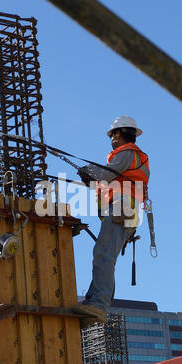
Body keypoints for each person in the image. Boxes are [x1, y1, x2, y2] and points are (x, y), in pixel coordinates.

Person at [72, 115, 149, 324]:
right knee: (105, 256)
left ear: (121, 133)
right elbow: (105, 180)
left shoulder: (128, 153)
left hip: (121, 209)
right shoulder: (129, 157)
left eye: (113, 134)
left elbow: (105, 175)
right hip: (123, 211)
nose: (112, 139)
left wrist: (89, 171)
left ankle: (98, 304)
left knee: (103, 256)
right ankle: (96, 303)